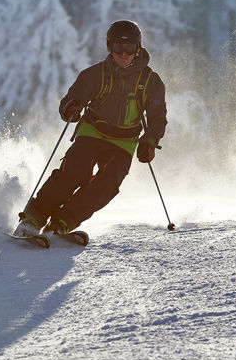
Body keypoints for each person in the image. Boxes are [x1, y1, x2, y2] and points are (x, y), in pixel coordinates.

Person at [14, 20, 167, 237]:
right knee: (75, 171)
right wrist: (72, 107)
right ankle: (34, 217)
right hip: (92, 132)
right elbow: (71, 100)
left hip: (124, 141)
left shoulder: (151, 82)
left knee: (106, 186)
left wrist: (149, 141)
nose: (124, 54)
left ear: (138, 48)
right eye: (118, 48)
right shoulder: (94, 75)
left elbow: (158, 117)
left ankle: (62, 222)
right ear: (109, 47)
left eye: (130, 48)